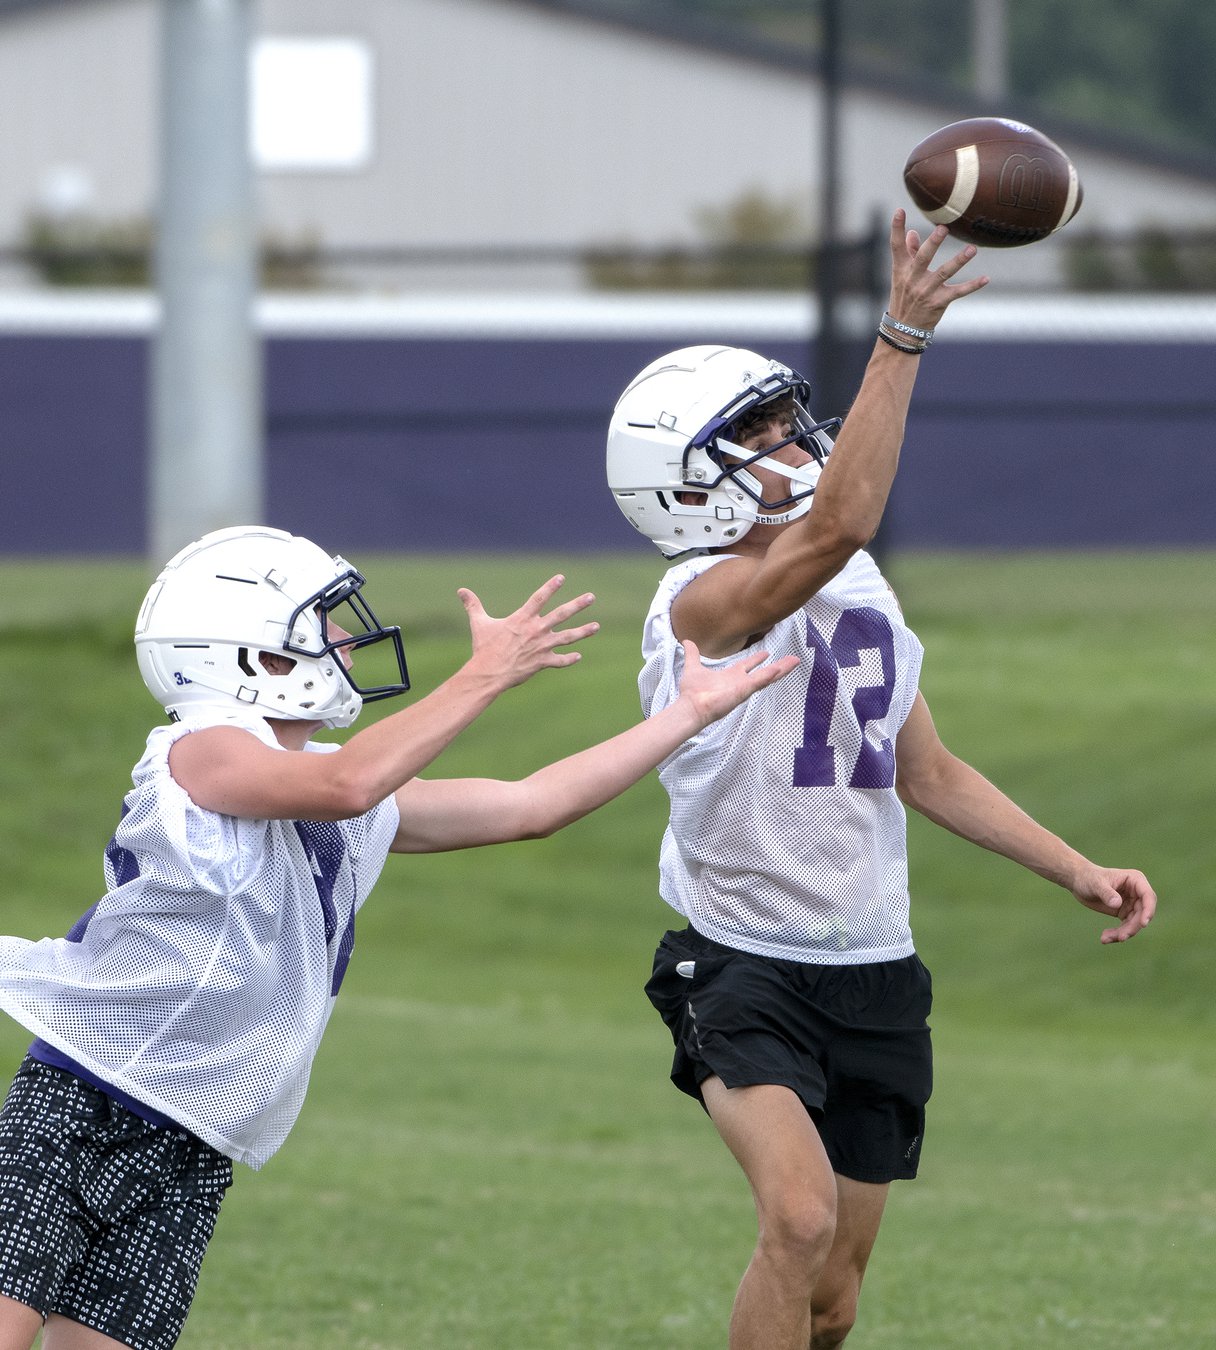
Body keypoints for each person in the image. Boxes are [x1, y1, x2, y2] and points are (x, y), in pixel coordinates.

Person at [0, 524, 797, 1350]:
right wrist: (481, 676)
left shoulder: (339, 790)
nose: (347, 640)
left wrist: (688, 713)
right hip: (86, 1100)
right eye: (323, 625)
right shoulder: (201, 751)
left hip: (194, 1134)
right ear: (248, 657)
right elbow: (346, 783)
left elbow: (533, 805)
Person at [604, 211, 1157, 1350]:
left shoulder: (859, 592)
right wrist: (899, 334)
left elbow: (927, 770)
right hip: (742, 963)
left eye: (782, 418)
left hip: (872, 967)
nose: (794, 443)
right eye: (755, 434)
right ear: (683, 486)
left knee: (836, 1298)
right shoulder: (697, 602)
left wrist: (1073, 868)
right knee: (796, 1222)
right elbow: (847, 517)